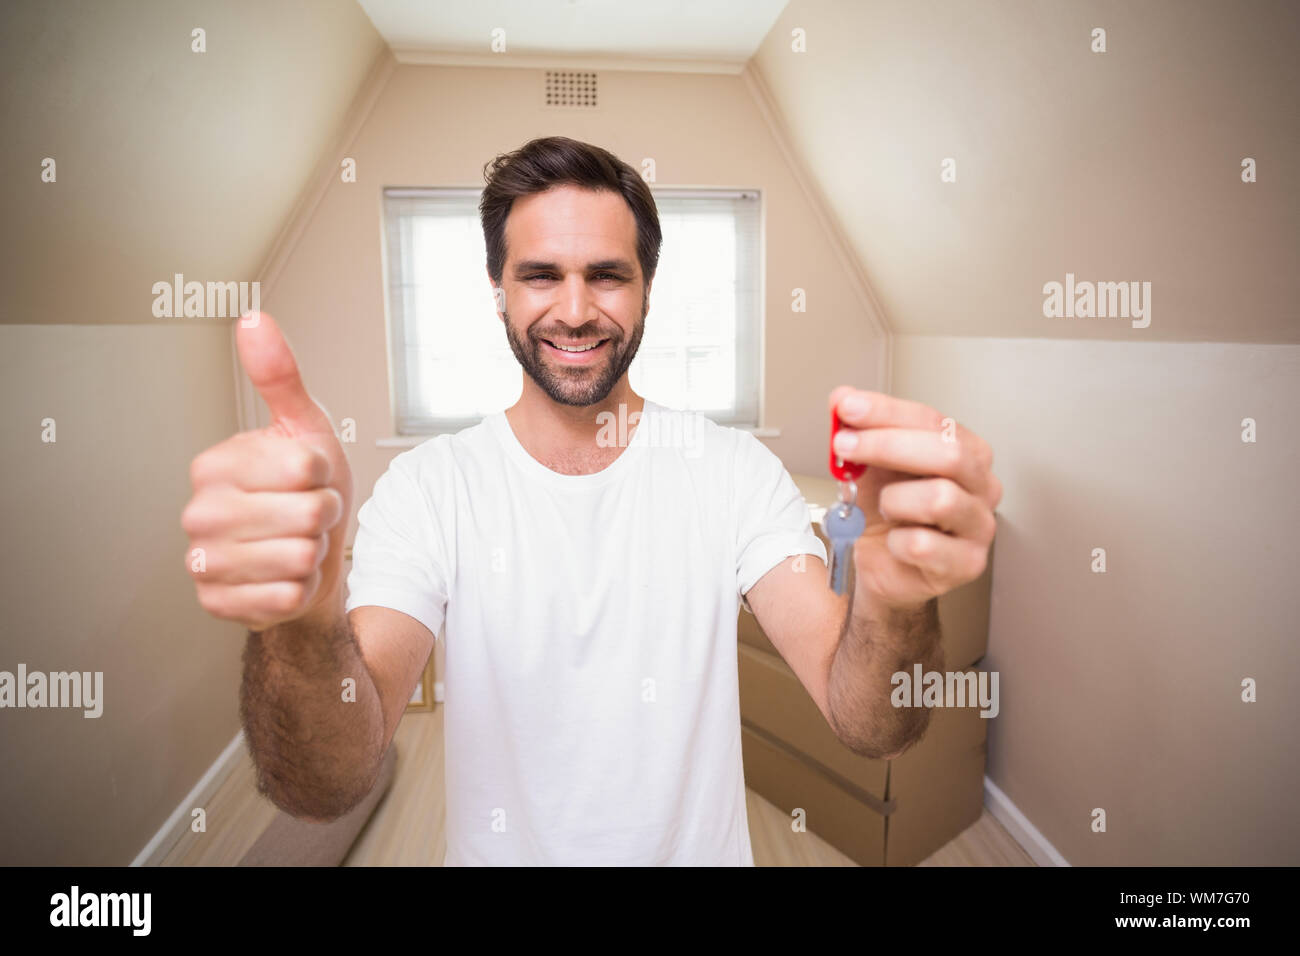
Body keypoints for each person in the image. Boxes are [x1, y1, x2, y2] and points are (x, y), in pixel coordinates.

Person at [181, 135, 1002, 866]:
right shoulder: (430, 489)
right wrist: (303, 618)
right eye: (540, 275)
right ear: (499, 289)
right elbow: (326, 781)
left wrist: (892, 601)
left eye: (607, 275)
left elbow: (868, 722)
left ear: (646, 288)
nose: (575, 311)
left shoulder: (731, 472)